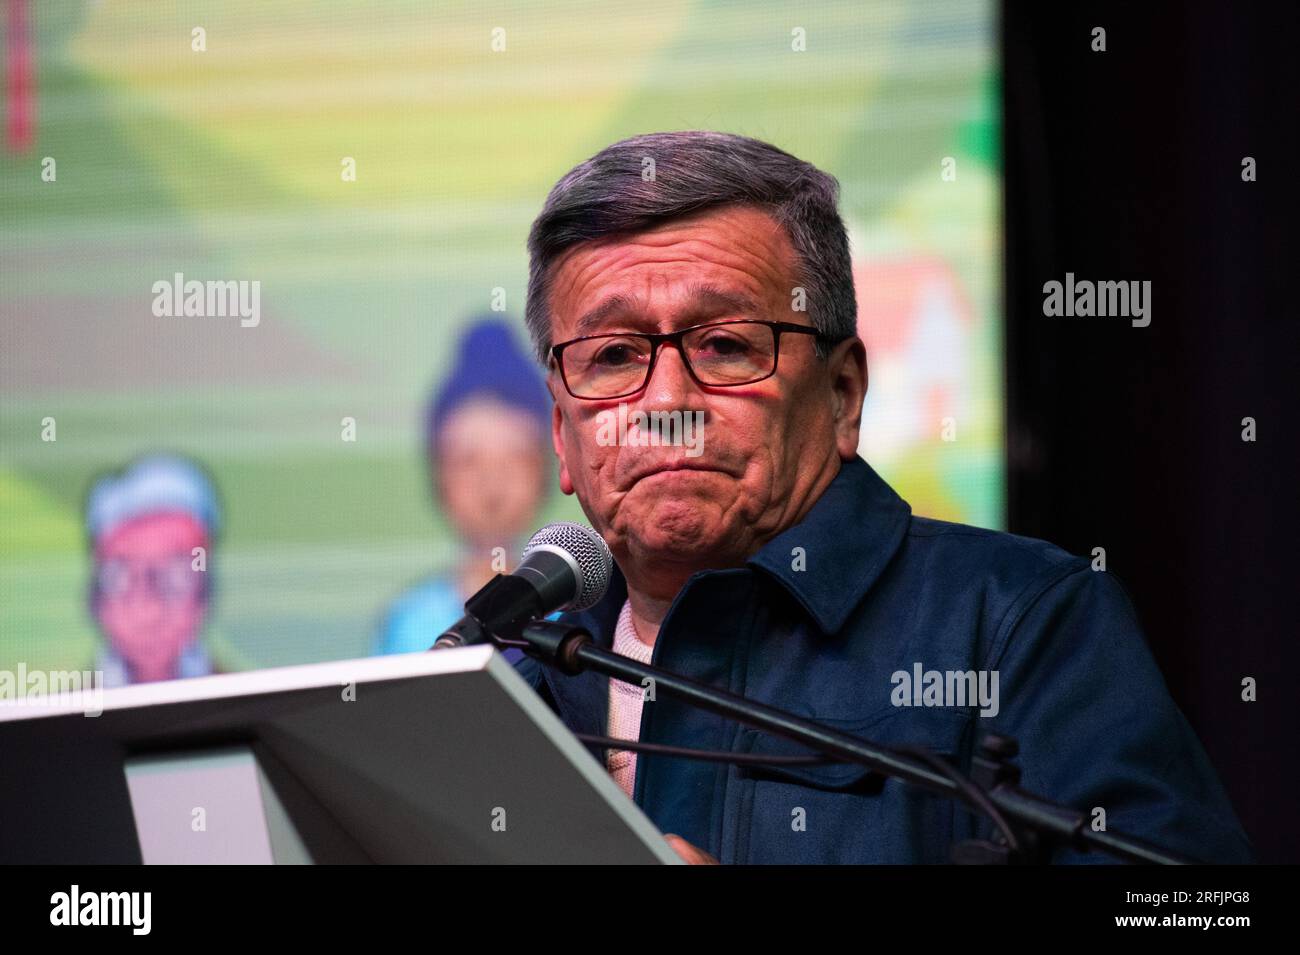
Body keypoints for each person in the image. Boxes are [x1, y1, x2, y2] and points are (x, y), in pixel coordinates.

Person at [512, 130, 1253, 864]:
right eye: (613, 355)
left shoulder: (1019, 622)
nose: (667, 402)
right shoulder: (509, 680)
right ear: (561, 433)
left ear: (842, 394)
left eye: (726, 345)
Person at [375, 317, 552, 661]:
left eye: (515, 459)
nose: (492, 486)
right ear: (439, 477)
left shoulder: (571, 617)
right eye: (468, 462)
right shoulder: (410, 622)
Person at [85, 454, 220, 686]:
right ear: (97, 600)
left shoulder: (247, 703)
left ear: (203, 595)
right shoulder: (62, 714)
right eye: (121, 581)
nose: (149, 613)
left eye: (175, 581)